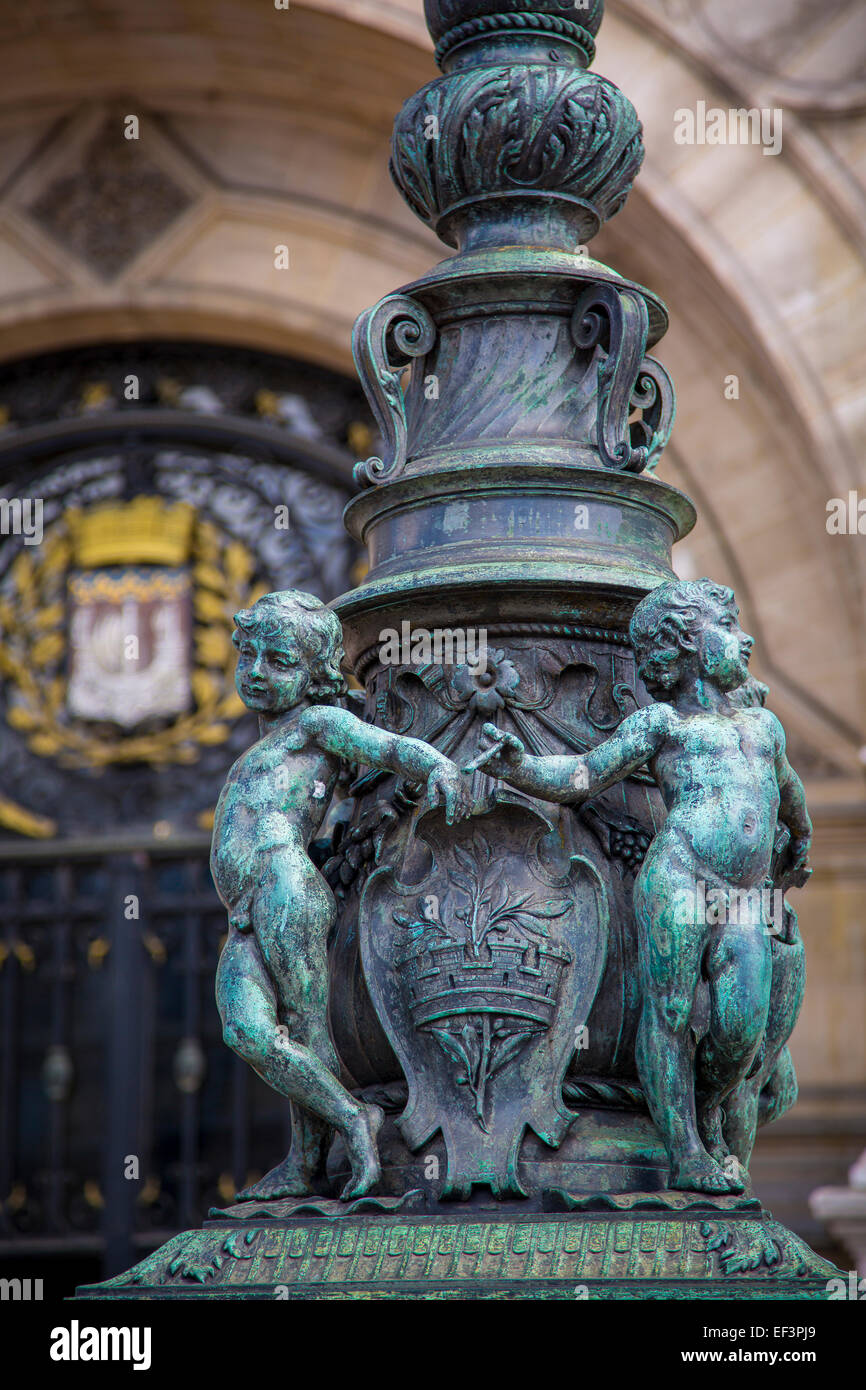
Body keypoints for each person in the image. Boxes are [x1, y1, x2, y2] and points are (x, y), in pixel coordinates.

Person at [466, 579, 811, 1194]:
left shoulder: (764, 725)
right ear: (683, 644)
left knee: (742, 1025)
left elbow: (789, 792)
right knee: (672, 1011)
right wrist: (517, 765)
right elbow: (582, 773)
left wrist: (802, 840)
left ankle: (706, 1112)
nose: (745, 637)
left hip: (747, 893)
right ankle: (685, 1152)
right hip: (680, 876)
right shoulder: (663, 723)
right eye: (727, 628)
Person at [212, 589, 467, 1200]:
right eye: (249, 656)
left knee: (303, 1027)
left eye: (279, 661)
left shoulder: (317, 724)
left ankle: (312, 1160)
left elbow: (383, 749)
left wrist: (436, 767)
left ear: (317, 674)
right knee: (245, 1030)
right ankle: (350, 1118)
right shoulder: (264, 742)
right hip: (245, 907)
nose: (257, 673)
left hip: (284, 885)